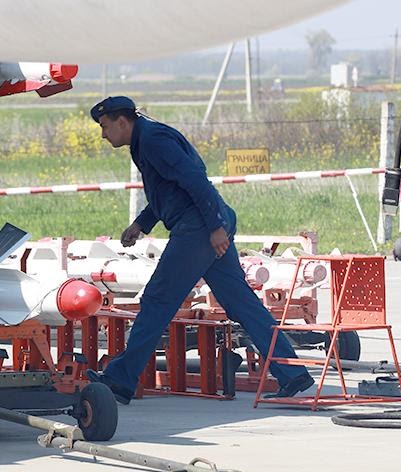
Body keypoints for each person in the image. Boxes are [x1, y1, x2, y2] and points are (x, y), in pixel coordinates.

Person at [84, 96, 315, 404]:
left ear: (122, 122)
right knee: (242, 303)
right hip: (206, 224)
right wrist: (142, 223)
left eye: (105, 126)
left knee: (157, 301)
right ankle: (293, 372)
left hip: (198, 230)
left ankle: (120, 380)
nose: (103, 134)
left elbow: (194, 179)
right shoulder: (146, 138)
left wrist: (214, 226)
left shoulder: (152, 140)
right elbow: (170, 189)